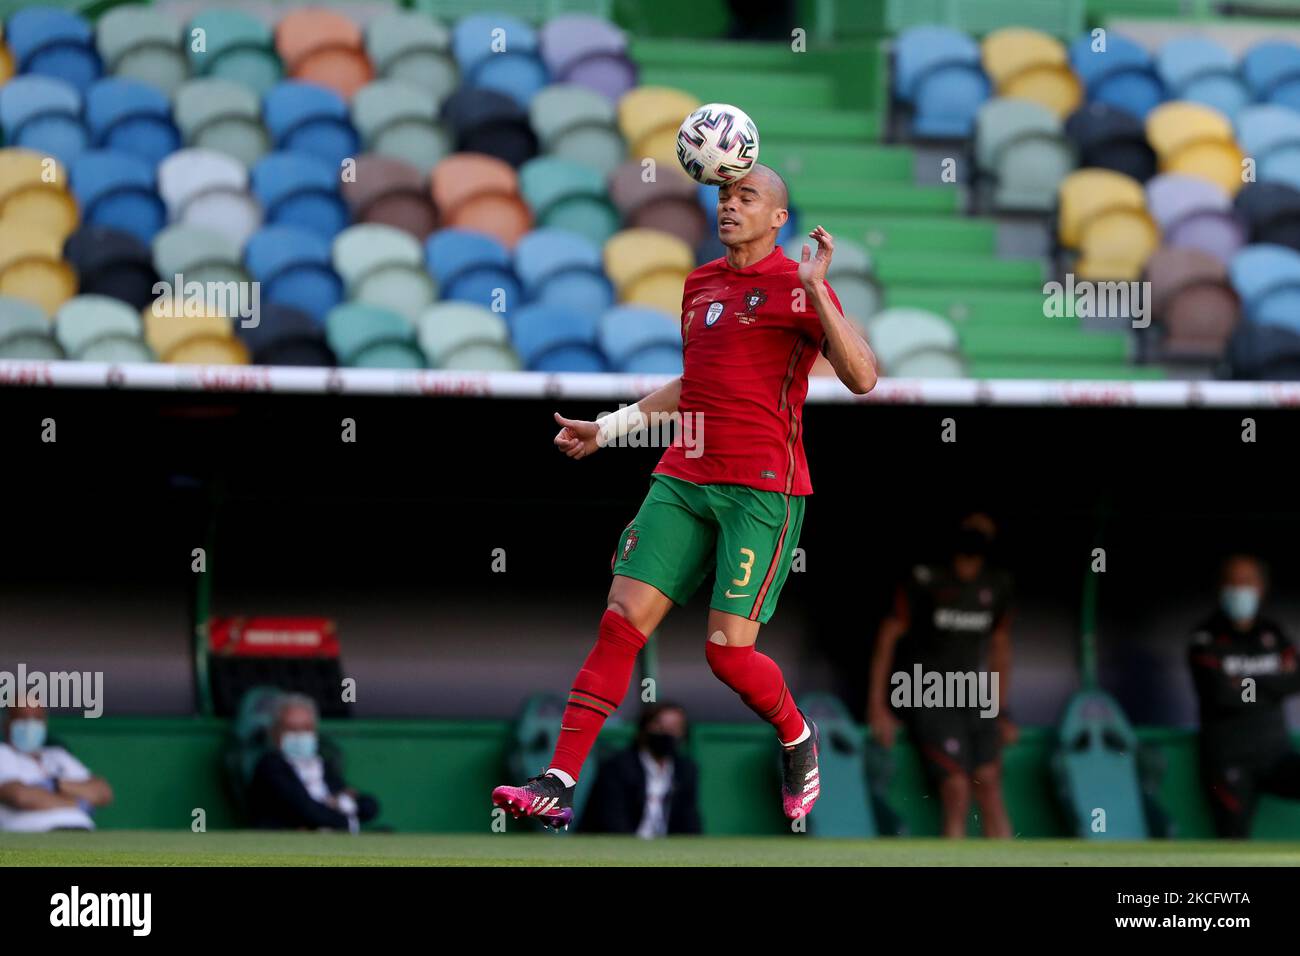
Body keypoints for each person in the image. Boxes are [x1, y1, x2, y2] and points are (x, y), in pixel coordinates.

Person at [492, 163, 878, 827]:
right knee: (621, 620)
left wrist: (817, 291)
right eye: (724, 195)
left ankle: (796, 735)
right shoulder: (700, 284)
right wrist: (609, 428)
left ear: (777, 217)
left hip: (763, 488)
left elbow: (863, 376)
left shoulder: (797, 284)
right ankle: (559, 779)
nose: (729, 205)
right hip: (684, 474)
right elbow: (693, 385)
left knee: (727, 654)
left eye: (745, 196)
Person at [867, 514, 1016, 838]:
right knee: (957, 788)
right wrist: (877, 707)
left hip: (975, 694)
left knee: (988, 781)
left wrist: (1002, 710)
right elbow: (887, 636)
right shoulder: (927, 580)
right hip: (928, 691)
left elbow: (1001, 649)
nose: (977, 538)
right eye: (971, 530)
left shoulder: (997, 584)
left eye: (984, 532)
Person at [1190, 553, 1300, 838]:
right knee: (1234, 841)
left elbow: (1295, 680)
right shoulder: (1205, 636)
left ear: (1261, 588)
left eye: (1247, 581)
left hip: (1276, 755)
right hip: (1228, 760)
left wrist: (1247, 683)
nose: (1240, 589)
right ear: (1221, 587)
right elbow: (1220, 694)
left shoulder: (1273, 633)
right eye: (1233, 582)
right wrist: (1272, 683)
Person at [247, 693, 379, 832]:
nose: (299, 735)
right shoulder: (270, 766)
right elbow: (307, 811)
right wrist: (346, 819)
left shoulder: (320, 764)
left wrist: (345, 803)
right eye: (291, 729)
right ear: (274, 732)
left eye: (306, 728)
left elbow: (368, 807)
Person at [580, 702, 703, 837]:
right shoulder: (618, 767)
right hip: (621, 845)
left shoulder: (685, 770)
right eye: (659, 726)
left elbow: (689, 819)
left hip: (664, 848)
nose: (667, 733)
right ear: (645, 728)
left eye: (674, 728)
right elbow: (610, 818)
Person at [0, 704, 112, 832]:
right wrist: (77, 802)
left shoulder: (58, 755)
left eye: (37, 718)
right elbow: (20, 797)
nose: (30, 725)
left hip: (81, 830)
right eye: (22, 718)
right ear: (7, 723)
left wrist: (54, 784)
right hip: (33, 833)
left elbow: (102, 792)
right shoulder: (3, 753)